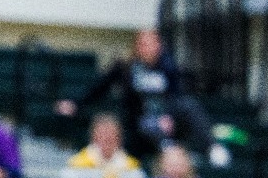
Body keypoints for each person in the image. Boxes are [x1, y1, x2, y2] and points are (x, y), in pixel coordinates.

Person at [57, 28, 216, 159]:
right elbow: (99, 88)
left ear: (159, 46)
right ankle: (167, 151)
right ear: (137, 47)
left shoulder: (169, 67)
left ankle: (212, 148)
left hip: (165, 121)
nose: (147, 48)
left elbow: (177, 96)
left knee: (189, 106)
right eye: (143, 44)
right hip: (138, 124)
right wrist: (76, 103)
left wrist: (168, 117)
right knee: (144, 125)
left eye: (151, 44)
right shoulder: (125, 67)